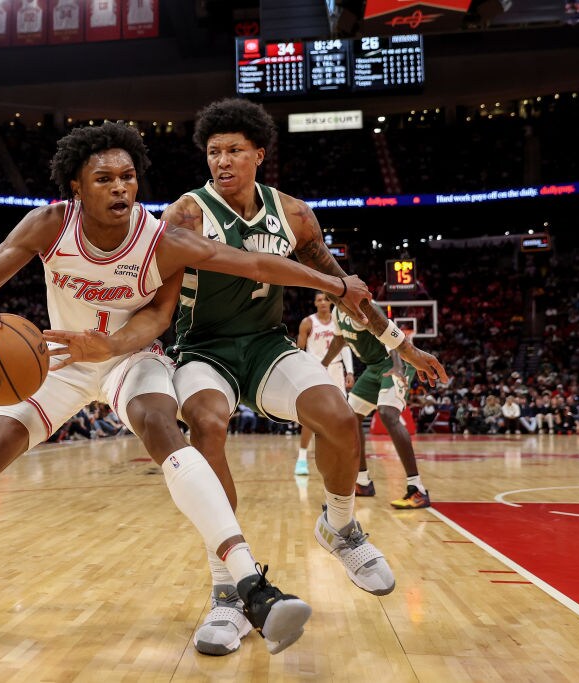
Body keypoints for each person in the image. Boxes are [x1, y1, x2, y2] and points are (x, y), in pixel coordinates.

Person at [0, 122, 367, 653]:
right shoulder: (50, 224)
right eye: (105, 179)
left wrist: (335, 283)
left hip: (129, 355)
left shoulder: (162, 240)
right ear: (77, 186)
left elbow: (239, 272)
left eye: (128, 177)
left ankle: (251, 586)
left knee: (161, 426)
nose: (121, 187)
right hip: (59, 359)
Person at [159, 98, 446, 655]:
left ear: (259, 154)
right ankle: (227, 591)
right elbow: (153, 289)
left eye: (234, 151)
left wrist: (399, 344)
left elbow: (346, 286)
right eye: (214, 152)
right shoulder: (186, 214)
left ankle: (340, 525)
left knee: (339, 415)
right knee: (208, 426)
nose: (222, 161)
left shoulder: (293, 215)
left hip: (266, 346)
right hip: (202, 349)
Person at [321, 303, 431, 508]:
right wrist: (323, 364)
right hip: (374, 368)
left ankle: (417, 490)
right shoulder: (337, 311)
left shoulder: (365, 308)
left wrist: (398, 367)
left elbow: (394, 338)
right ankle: (362, 482)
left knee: (387, 414)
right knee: (350, 418)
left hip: (397, 362)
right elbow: (339, 339)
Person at [294, 291, 353, 476]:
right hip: (315, 370)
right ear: (314, 303)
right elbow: (299, 350)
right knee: (312, 417)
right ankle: (302, 458)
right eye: (319, 300)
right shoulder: (308, 322)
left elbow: (344, 347)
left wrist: (349, 371)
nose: (323, 302)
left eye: (326, 299)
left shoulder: (338, 320)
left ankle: (341, 457)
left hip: (336, 369)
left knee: (342, 416)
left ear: (331, 302)